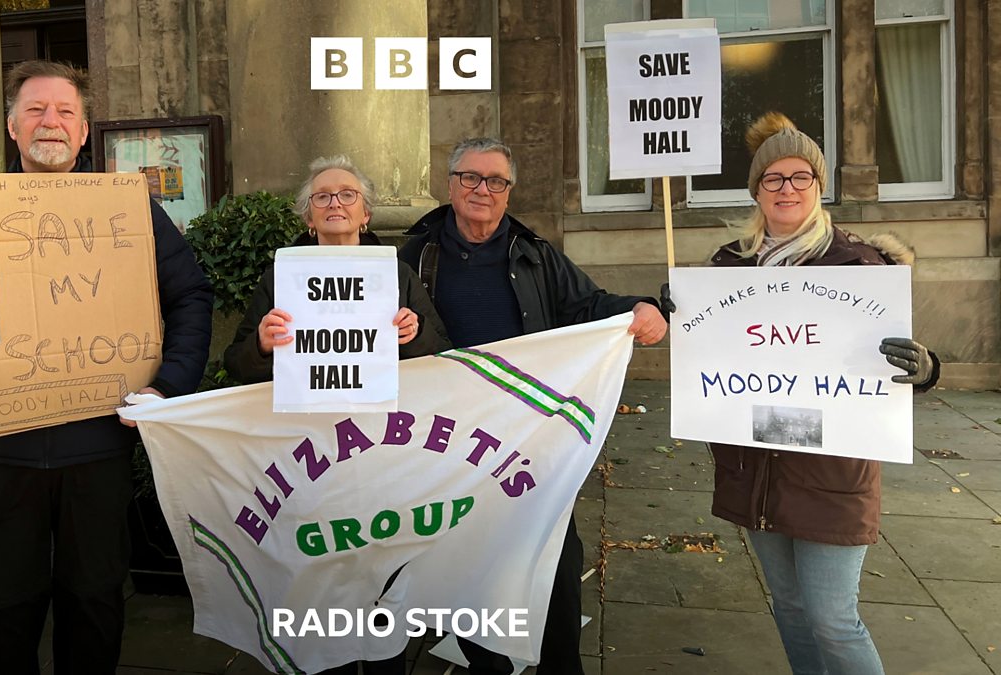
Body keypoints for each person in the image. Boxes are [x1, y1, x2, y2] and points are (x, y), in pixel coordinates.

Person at [0, 60, 214, 675]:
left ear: (85, 133)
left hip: (98, 445)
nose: (50, 123)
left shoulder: (132, 209)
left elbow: (190, 295)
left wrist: (168, 386)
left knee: (93, 604)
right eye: (35, 110)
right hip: (1, 446)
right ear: (12, 126)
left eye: (65, 112)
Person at [398, 137, 667, 675]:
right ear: (450, 184)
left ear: (508, 191)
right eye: (471, 178)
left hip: (526, 436)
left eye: (495, 181)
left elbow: (588, 304)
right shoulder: (414, 253)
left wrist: (642, 308)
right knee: (463, 558)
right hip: (445, 437)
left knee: (557, 558)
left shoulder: (534, 253)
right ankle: (487, 662)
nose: (482, 190)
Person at [708, 112, 940, 675]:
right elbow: (712, 357)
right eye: (773, 179)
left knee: (835, 618)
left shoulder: (858, 265)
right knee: (789, 607)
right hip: (758, 465)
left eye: (799, 178)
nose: (786, 189)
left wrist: (925, 368)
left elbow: (894, 365)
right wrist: (683, 314)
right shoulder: (728, 267)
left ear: (817, 186)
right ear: (757, 190)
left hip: (832, 472)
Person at [224, 155, 451, 674]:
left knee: (382, 568)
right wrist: (260, 344)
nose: (335, 203)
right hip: (308, 453)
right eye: (323, 196)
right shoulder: (281, 276)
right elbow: (235, 365)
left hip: (381, 450)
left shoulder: (394, 276)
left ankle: (385, 660)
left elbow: (443, 358)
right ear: (308, 216)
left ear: (365, 213)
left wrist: (416, 338)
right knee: (318, 571)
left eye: (347, 195)